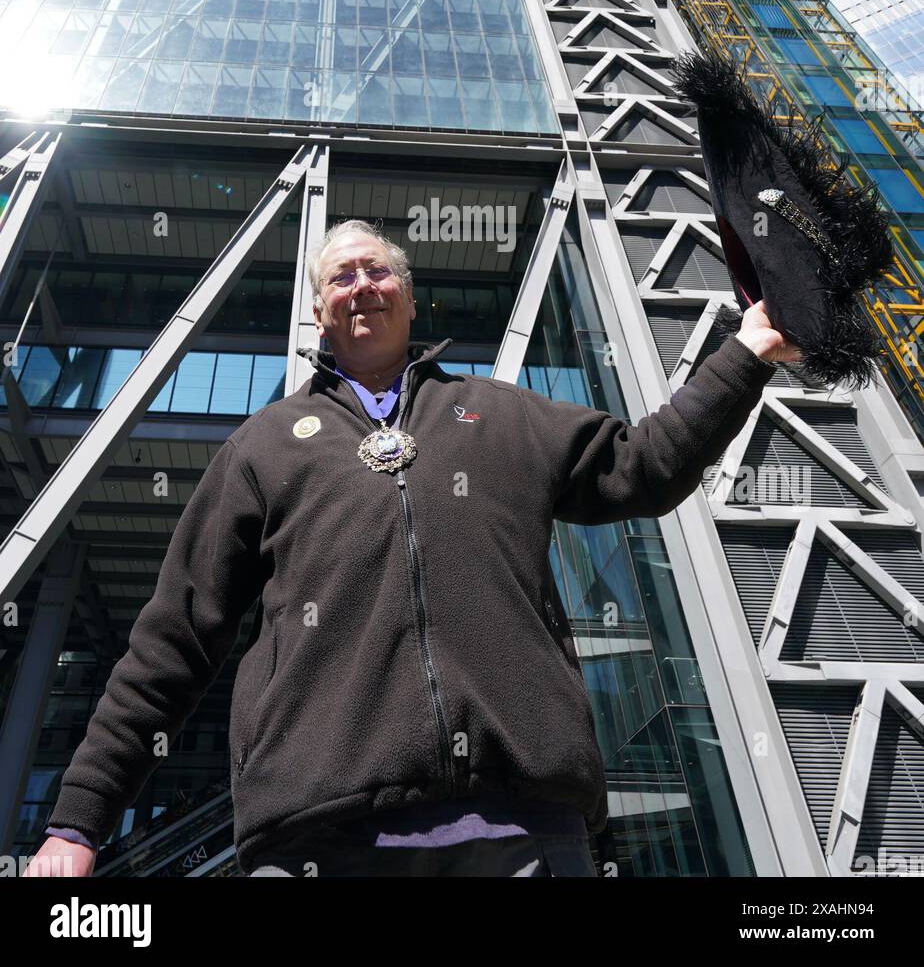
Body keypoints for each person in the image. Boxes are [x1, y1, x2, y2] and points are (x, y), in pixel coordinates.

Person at [26, 218, 801, 878]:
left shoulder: (498, 415)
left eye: (376, 271)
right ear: (319, 312)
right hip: (318, 839)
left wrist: (746, 352)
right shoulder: (262, 448)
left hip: (523, 830)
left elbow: (642, 467)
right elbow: (175, 639)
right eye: (339, 279)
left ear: (408, 295)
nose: (360, 286)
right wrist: (77, 821)